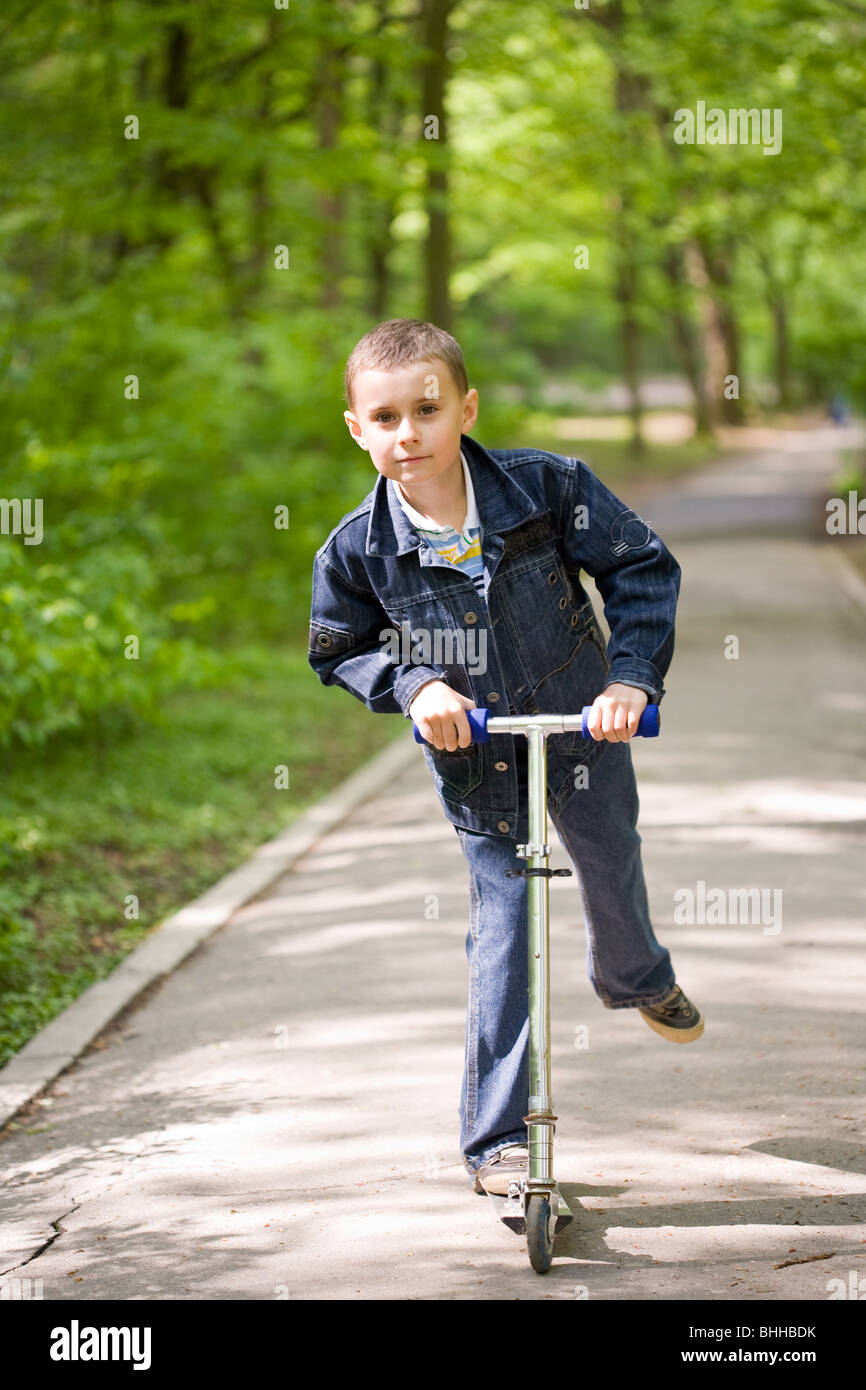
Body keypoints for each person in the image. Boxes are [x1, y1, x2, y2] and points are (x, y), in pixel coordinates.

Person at [308, 318, 704, 1198]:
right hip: (477, 757)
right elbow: (339, 647)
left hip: (584, 722)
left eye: (427, 408)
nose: (407, 433)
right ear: (356, 429)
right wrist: (413, 687)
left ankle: (634, 974)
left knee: (609, 855)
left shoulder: (545, 486)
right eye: (384, 418)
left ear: (466, 408)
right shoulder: (355, 549)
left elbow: (640, 565)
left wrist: (632, 681)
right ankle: (499, 1143)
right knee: (505, 926)